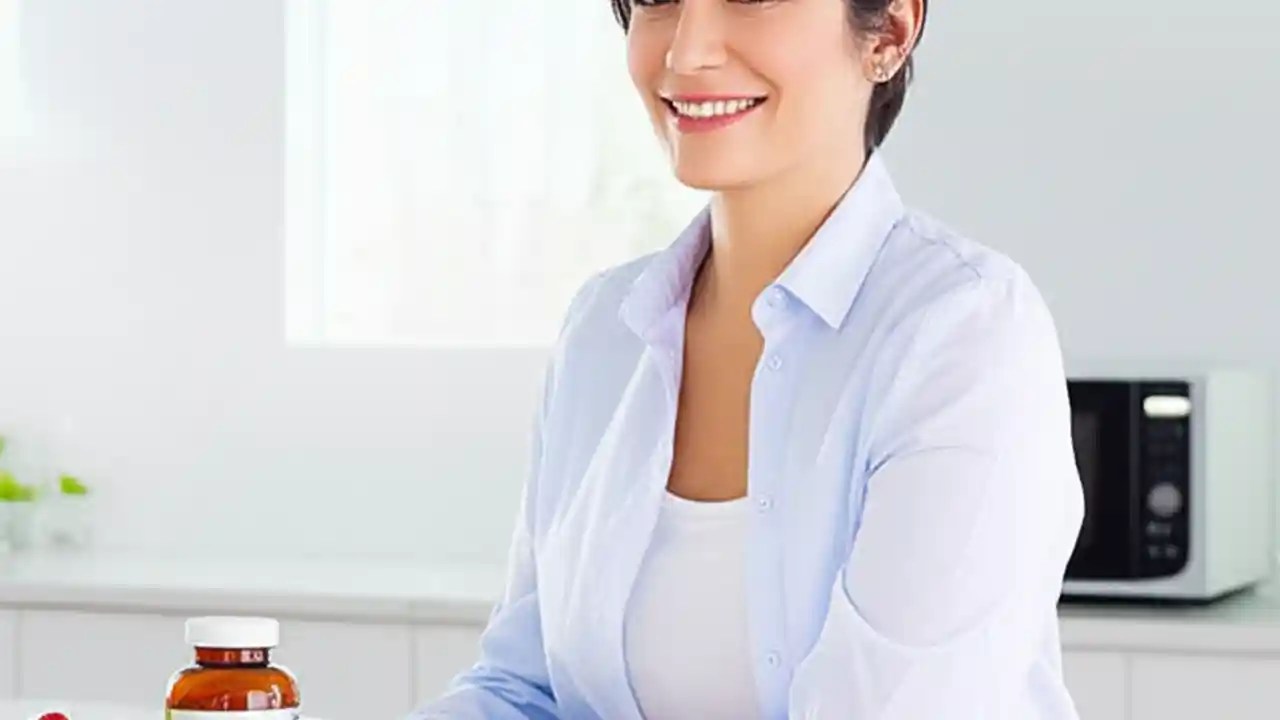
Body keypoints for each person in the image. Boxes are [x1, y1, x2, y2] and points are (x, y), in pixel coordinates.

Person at [411, 0, 1084, 717]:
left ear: (889, 29)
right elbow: (522, 689)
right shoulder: (602, 331)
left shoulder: (964, 334)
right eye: (655, 0)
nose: (687, 53)